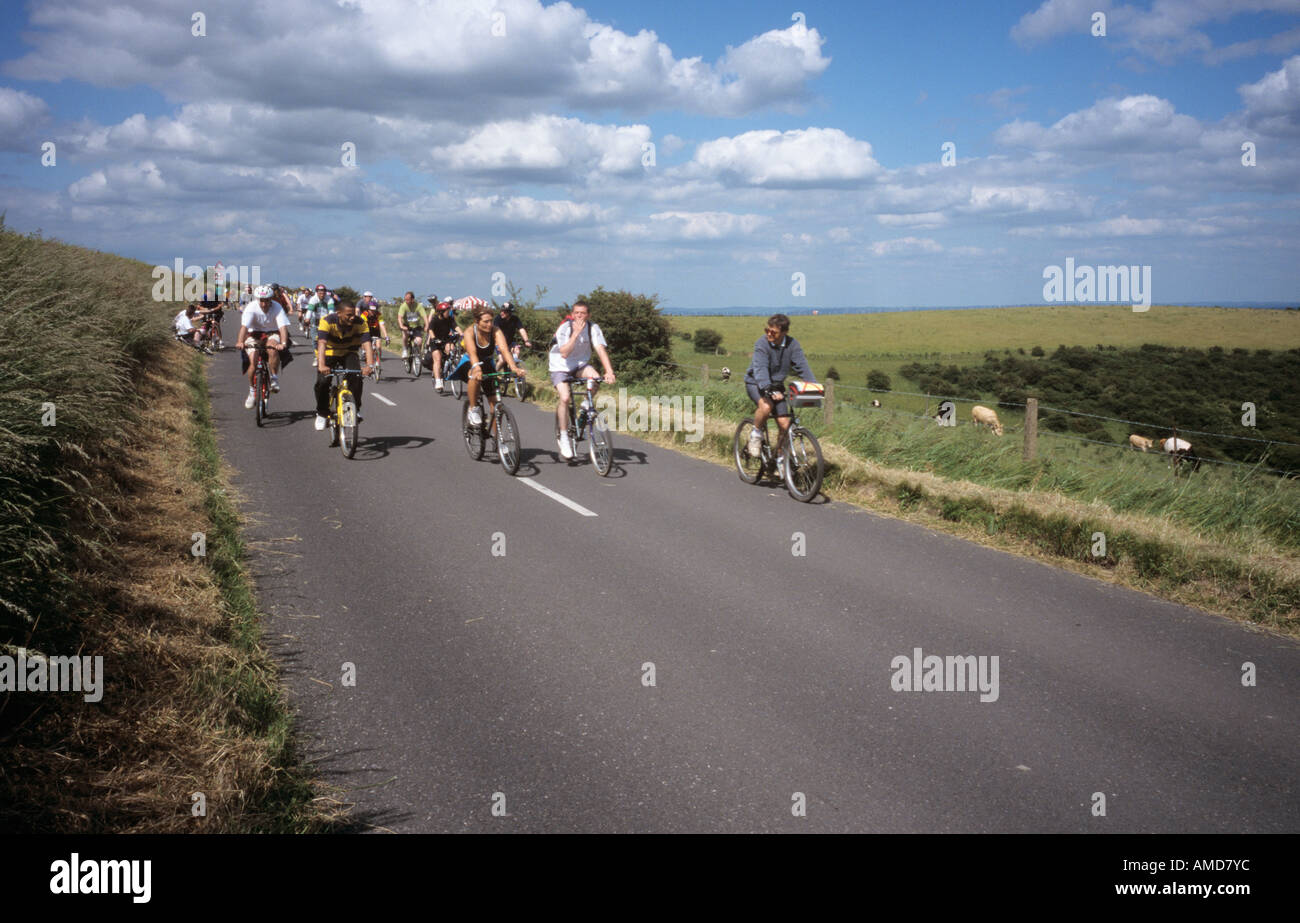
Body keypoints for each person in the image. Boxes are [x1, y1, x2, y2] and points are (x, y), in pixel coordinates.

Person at [743, 313, 816, 472]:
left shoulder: (792, 345)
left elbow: (802, 366)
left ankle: (781, 457)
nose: (769, 334)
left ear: (784, 333)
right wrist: (767, 387)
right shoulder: (761, 344)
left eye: (773, 332)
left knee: (785, 424)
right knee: (766, 406)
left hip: (776, 386)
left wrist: (814, 386)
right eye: (767, 330)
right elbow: (760, 368)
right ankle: (755, 435)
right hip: (756, 382)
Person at [548, 299, 615, 459]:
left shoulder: (593, 328)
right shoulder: (565, 327)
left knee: (596, 378)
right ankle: (564, 436)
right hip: (560, 365)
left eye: (583, 313)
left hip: (579, 365)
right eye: (576, 313)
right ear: (572, 314)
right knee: (565, 397)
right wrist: (576, 334)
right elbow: (564, 352)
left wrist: (609, 371)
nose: (579, 316)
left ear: (588, 315)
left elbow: (600, 349)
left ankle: (585, 405)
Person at [456, 303, 526, 433]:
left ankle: (497, 440)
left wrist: (514, 368)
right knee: (474, 376)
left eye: (491, 321)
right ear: (477, 321)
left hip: (487, 362)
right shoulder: (470, 332)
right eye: (485, 321)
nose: (489, 324)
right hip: (470, 361)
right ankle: (473, 409)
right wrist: (477, 368)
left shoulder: (495, 330)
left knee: (495, 405)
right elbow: (472, 353)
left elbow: (505, 350)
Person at [314, 300, 376, 431]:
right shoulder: (327, 321)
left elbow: (367, 345)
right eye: (348, 315)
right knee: (323, 381)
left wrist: (369, 366)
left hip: (349, 351)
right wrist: (322, 365)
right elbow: (322, 344)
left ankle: (356, 408)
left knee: (356, 376)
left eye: (353, 314)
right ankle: (322, 413)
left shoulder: (360, 323)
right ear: (339, 314)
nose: (352, 317)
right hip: (329, 351)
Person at [236, 284, 291, 407]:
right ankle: (252, 391)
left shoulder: (277, 307)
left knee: (272, 348)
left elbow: (282, 327)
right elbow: (244, 328)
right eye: (261, 301)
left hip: (272, 333)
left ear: (271, 299)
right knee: (253, 362)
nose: (264, 304)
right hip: (253, 334)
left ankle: (274, 378)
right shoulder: (251, 308)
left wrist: (283, 343)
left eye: (267, 301)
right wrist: (240, 342)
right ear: (257, 299)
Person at [424, 299, 459, 392]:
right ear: (441, 312)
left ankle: (449, 364)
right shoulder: (435, 319)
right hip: (435, 341)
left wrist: (462, 334)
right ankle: (438, 380)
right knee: (438, 358)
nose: (449, 312)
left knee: (452, 349)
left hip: (445, 339)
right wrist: (434, 338)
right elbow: (430, 330)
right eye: (447, 311)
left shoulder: (450, 319)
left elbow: (456, 327)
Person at [395, 291, 426, 362]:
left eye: (408, 300)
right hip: (407, 325)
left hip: (416, 326)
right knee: (405, 335)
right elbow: (399, 317)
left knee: (419, 341)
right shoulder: (403, 306)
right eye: (405, 299)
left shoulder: (418, 306)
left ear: (412, 299)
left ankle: (418, 355)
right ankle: (405, 350)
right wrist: (401, 326)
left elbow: (424, 317)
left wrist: (426, 325)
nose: (406, 301)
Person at [357, 293, 388, 357]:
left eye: (374, 310)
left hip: (376, 331)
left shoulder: (378, 314)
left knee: (378, 347)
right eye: (371, 310)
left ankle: (378, 361)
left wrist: (386, 336)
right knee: (365, 342)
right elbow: (363, 325)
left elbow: (382, 325)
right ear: (368, 309)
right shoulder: (364, 314)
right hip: (367, 330)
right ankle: (364, 351)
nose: (372, 312)